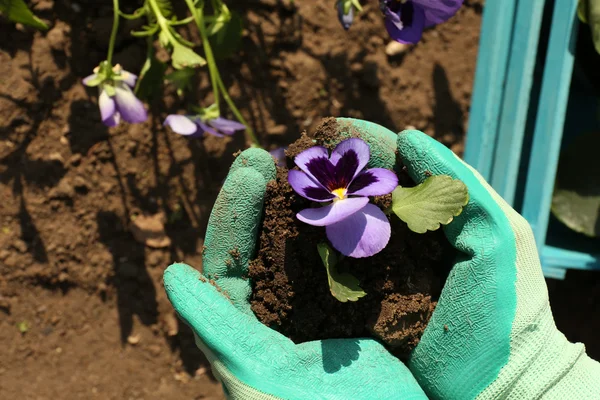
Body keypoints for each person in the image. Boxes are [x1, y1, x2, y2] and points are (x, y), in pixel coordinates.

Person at [163, 118, 600, 399]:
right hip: (339, 214)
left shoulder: (361, 192)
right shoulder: (335, 196)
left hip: (359, 218)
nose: (339, 193)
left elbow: (366, 193)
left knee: (385, 224)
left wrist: (531, 378)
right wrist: (536, 386)